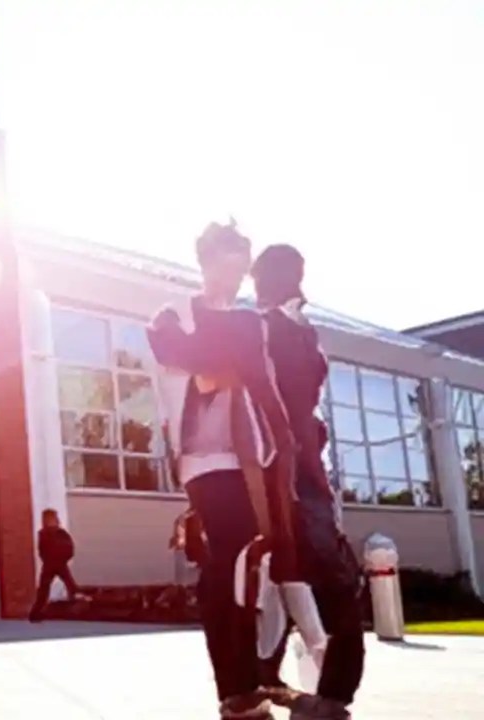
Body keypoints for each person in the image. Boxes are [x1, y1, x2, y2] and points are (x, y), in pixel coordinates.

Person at [147, 221, 290, 720]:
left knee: (250, 563)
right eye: (228, 266)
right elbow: (185, 361)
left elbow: (255, 376)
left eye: (242, 270)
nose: (235, 279)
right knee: (230, 557)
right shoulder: (175, 314)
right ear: (206, 261)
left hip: (251, 454)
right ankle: (238, 687)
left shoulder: (251, 322)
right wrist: (224, 367)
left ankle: (248, 679)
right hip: (204, 460)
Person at [250, 245, 365, 720]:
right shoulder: (280, 328)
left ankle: (329, 695)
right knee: (277, 583)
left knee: (326, 582)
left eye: (259, 280)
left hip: (298, 476)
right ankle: (269, 680)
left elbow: (295, 399)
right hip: (282, 474)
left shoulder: (282, 329)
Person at [29, 508, 85, 622]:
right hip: (52, 564)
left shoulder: (59, 533)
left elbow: (69, 548)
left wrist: (62, 558)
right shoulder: (45, 533)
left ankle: (76, 607)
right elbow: (42, 550)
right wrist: (50, 559)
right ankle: (36, 614)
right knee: (48, 588)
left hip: (56, 563)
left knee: (68, 585)